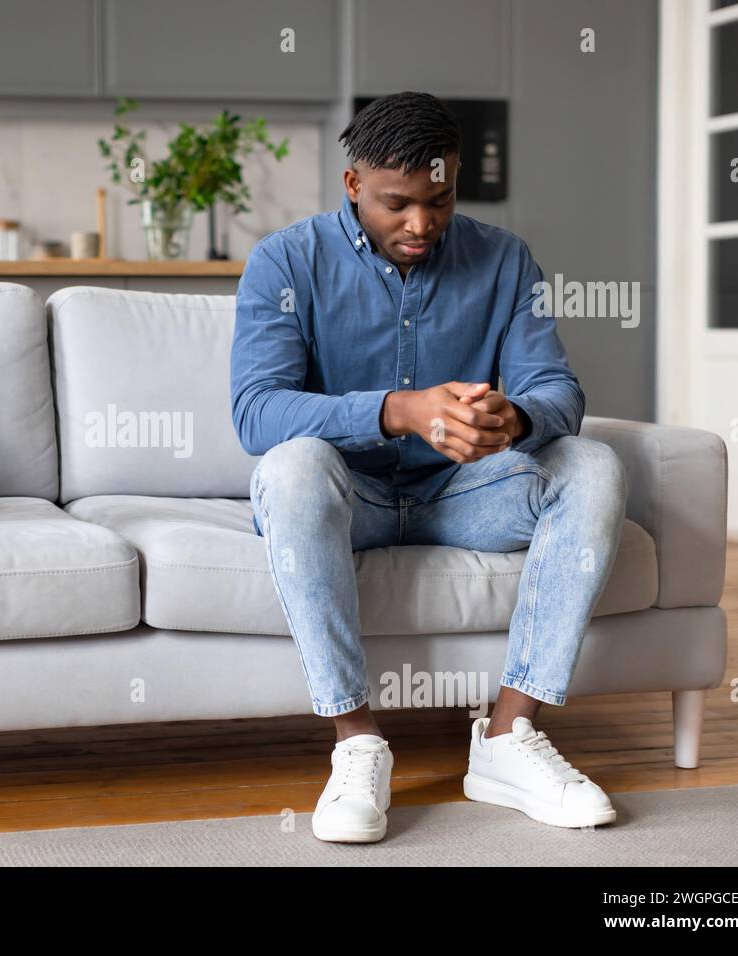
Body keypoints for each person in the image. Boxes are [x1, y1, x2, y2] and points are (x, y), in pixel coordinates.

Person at [231, 92, 628, 843]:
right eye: (397, 204)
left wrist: (517, 418)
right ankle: (357, 743)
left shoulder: (504, 259)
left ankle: (509, 739)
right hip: (350, 496)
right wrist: (399, 410)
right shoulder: (285, 260)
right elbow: (257, 413)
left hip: (464, 494)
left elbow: (557, 390)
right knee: (291, 468)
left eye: (439, 201)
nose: (421, 225)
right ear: (352, 186)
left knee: (593, 465)